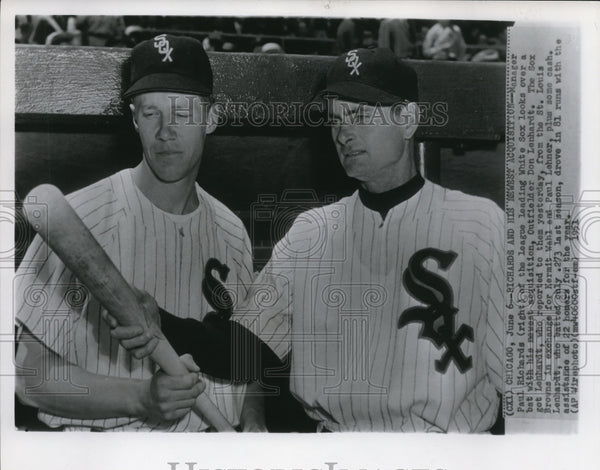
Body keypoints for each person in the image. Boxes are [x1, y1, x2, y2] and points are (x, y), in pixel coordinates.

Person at [109, 47, 505, 433]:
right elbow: (243, 353)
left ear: (407, 119)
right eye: (335, 119)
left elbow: (528, 379)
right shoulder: (311, 233)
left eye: (361, 115)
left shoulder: (480, 222)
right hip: (336, 455)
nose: (344, 133)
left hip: (449, 460)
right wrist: (158, 318)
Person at [14, 34, 264, 432]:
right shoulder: (82, 215)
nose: (165, 131)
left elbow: (247, 358)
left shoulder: (232, 231)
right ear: (134, 119)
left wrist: (253, 419)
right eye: (151, 113)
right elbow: (29, 377)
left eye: (182, 112)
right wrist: (140, 398)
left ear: (211, 118)